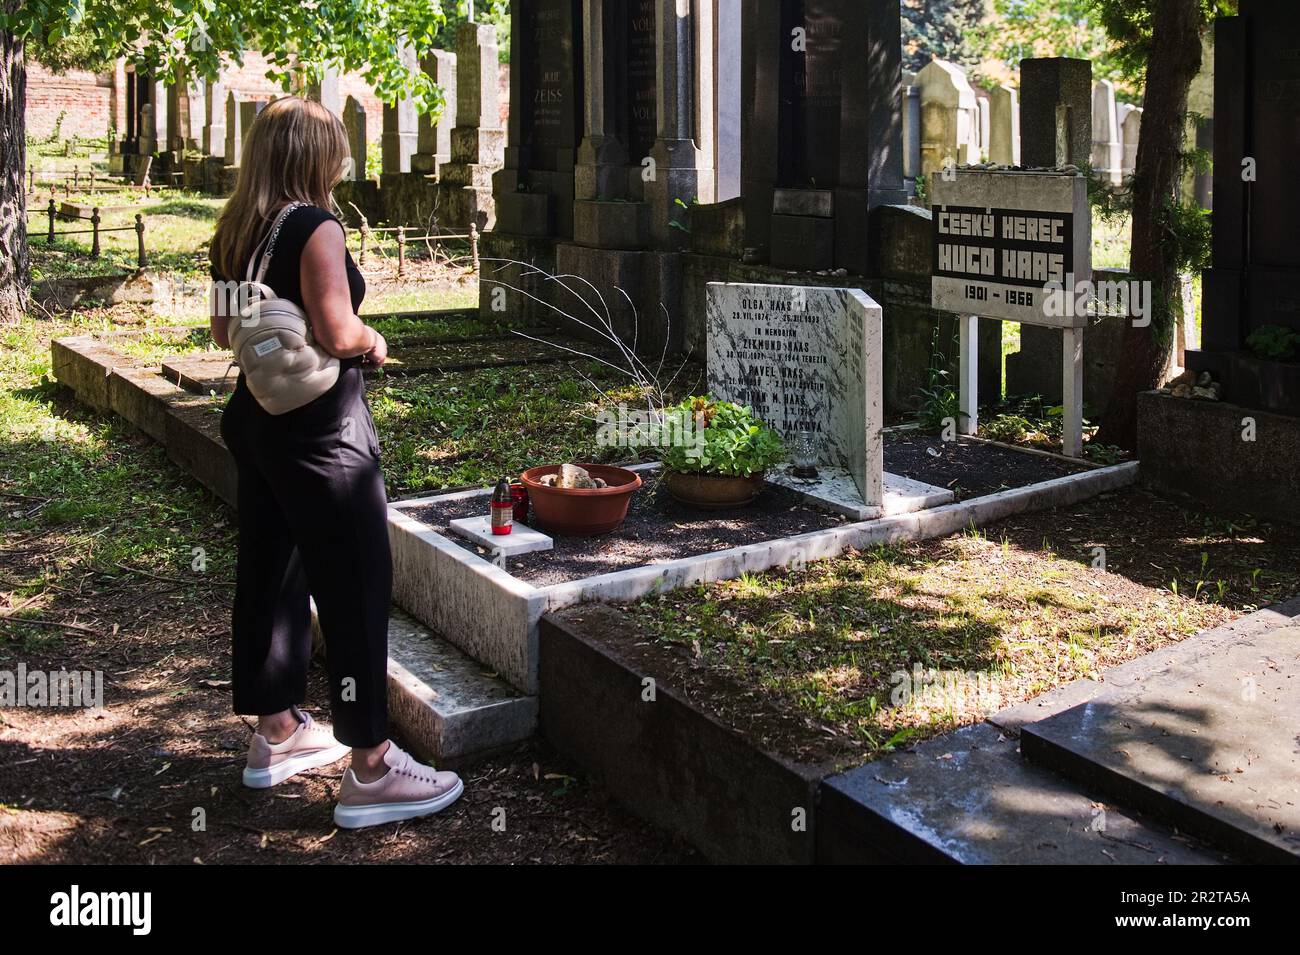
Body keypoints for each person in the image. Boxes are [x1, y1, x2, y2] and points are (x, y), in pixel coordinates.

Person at [208, 97, 462, 829]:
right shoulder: (316, 226)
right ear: (316, 157)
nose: (343, 164)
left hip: (255, 422)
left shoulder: (235, 231)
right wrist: (372, 339)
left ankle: (276, 729)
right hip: (321, 432)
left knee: (270, 568)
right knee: (353, 578)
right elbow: (335, 328)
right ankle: (374, 766)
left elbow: (225, 326)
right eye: (336, 151)